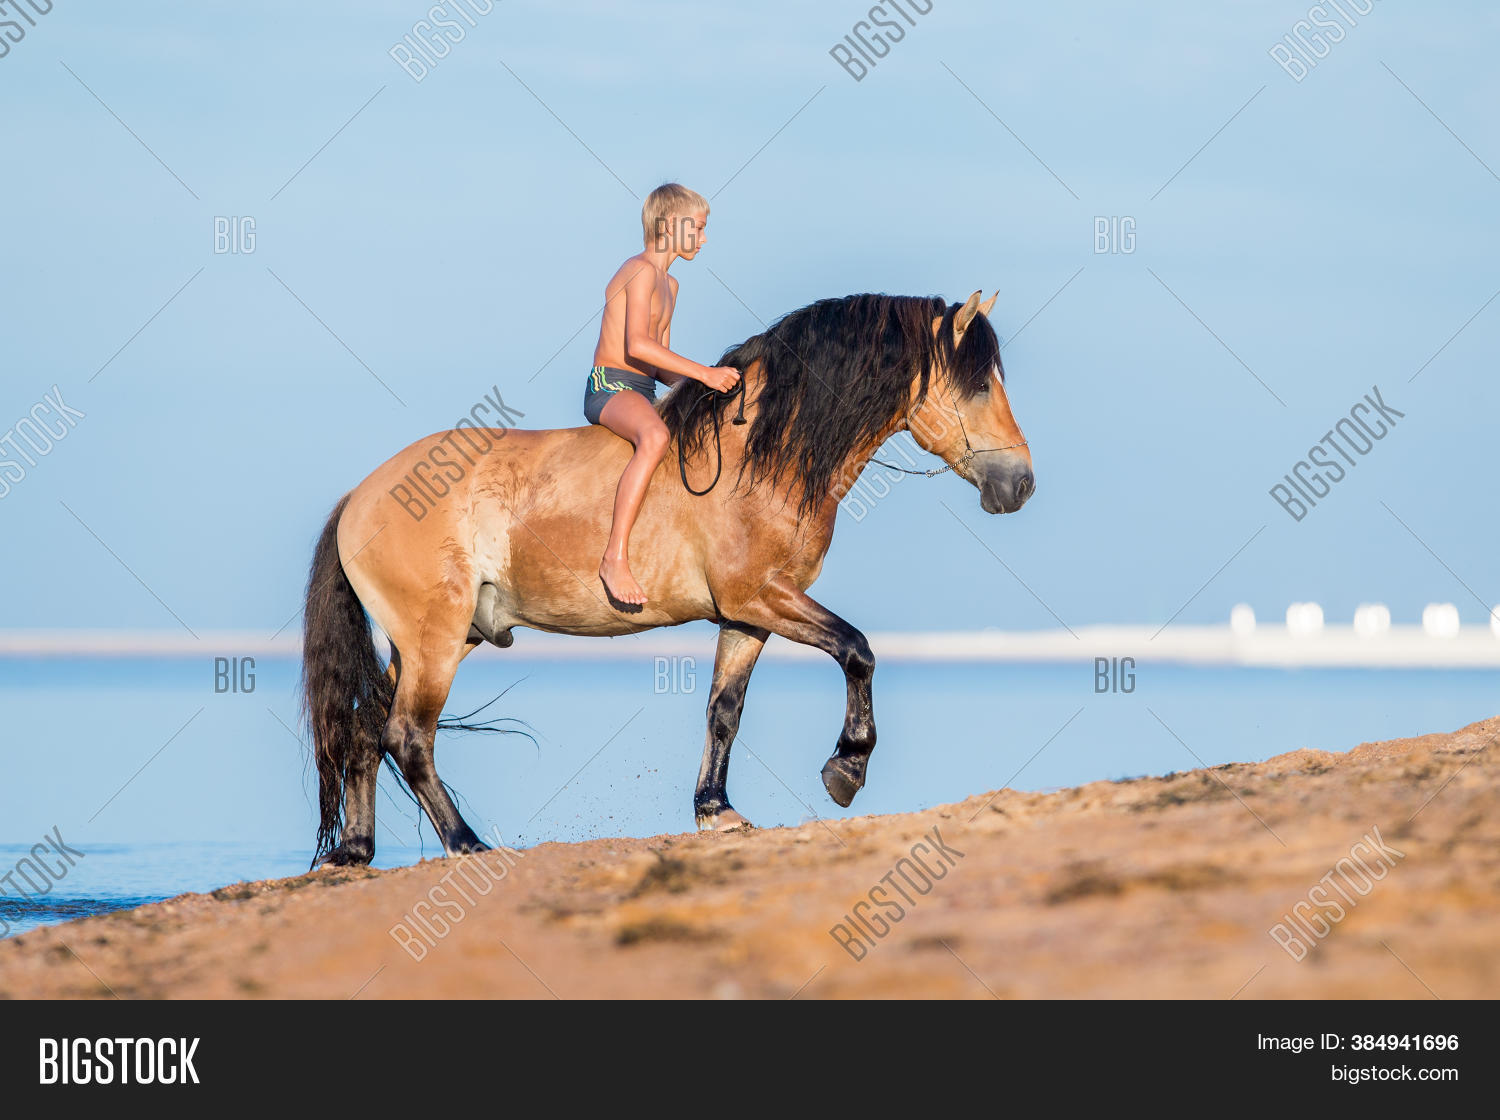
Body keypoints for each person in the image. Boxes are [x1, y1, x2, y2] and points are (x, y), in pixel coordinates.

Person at [584, 182, 740, 606]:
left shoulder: (671, 285)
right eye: (701, 229)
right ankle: (614, 557)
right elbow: (637, 345)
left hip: (644, 387)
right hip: (611, 386)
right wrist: (704, 373)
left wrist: (707, 389)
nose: (705, 239)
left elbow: (660, 362)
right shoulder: (638, 270)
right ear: (672, 225)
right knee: (655, 437)